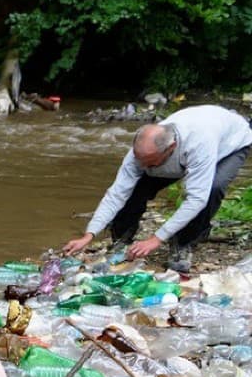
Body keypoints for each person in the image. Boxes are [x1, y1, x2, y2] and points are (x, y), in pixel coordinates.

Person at [63, 105, 252, 272]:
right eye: (141, 161)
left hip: (231, 144)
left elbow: (197, 199)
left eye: (150, 163)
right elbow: (117, 193)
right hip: (183, 148)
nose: (144, 166)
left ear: (171, 148)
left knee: (212, 189)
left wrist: (156, 238)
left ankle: (184, 242)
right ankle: (122, 238)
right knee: (136, 185)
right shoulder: (141, 154)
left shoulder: (198, 144)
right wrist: (89, 234)